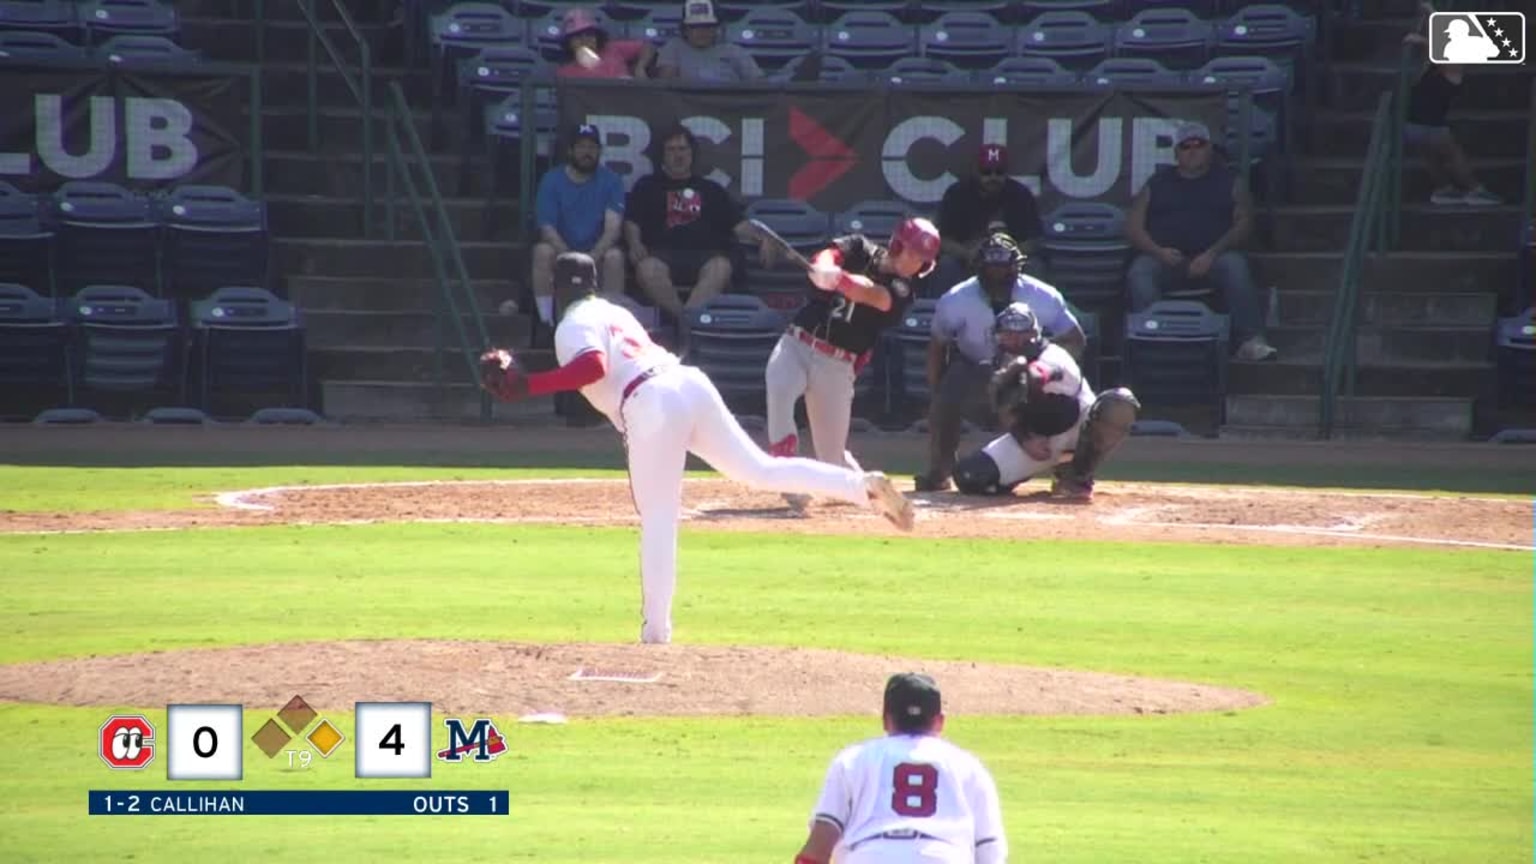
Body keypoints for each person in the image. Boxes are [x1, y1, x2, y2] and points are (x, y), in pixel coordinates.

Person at [476, 252, 915, 645]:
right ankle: (861, 486)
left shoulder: (572, 323)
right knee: (760, 471)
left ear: (556, 289)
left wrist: (530, 385)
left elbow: (594, 366)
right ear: (593, 284)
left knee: (660, 516)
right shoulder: (614, 310)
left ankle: (655, 632)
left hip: (650, 403)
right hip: (687, 381)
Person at [765, 217, 940, 513]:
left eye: (922, 260)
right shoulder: (860, 247)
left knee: (831, 460)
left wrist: (840, 280)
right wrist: (825, 266)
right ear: (897, 244)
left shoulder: (903, 290)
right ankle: (788, 477)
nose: (914, 264)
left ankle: (866, 487)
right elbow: (830, 253)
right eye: (912, 253)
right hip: (796, 343)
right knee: (779, 389)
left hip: (836, 365)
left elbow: (871, 294)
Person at [914, 233, 1086, 493]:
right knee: (947, 394)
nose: (997, 274)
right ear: (978, 268)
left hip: (1032, 374)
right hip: (977, 371)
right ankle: (940, 470)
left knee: (1061, 401)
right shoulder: (955, 299)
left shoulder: (1043, 296)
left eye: (1003, 267)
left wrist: (1055, 371)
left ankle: (1068, 471)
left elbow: (1074, 339)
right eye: (991, 267)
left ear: (1017, 267)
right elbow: (937, 346)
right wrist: (936, 391)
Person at [793, 673, 1009, 864]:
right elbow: (989, 848)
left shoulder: (853, 760)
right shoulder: (968, 766)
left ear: (886, 719)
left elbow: (818, 846)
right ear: (940, 722)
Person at [952, 303, 1140, 502]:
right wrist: (1025, 440)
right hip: (1040, 438)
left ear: (1034, 335)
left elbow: (1042, 373)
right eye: (1007, 334)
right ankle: (1054, 466)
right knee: (969, 477)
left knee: (1119, 403)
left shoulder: (1054, 356)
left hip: (1080, 428)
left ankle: (1078, 475)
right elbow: (1007, 410)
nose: (1013, 341)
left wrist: (1021, 373)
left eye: (1020, 335)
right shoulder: (998, 364)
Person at [1124, 120, 1278, 363]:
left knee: (1235, 266)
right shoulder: (1157, 183)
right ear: (1176, 152)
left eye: (1199, 144)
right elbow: (1133, 226)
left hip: (1214, 259)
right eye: (1186, 146)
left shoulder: (1230, 181)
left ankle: (1250, 340)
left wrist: (1213, 253)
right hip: (1167, 260)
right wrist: (1158, 252)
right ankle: (1156, 341)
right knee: (1140, 271)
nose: (1193, 150)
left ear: (1210, 149)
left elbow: (1245, 223)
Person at [623, 124, 777, 334]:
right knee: (647, 269)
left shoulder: (711, 189)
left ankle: (683, 326)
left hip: (706, 255)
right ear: (662, 155)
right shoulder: (647, 186)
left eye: (683, 149)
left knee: (721, 267)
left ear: (692, 153)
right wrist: (634, 243)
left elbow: (739, 226)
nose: (678, 155)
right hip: (661, 254)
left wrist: (764, 238)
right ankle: (687, 324)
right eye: (671, 150)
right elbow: (632, 221)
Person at [1401, 3, 1503, 206]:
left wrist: (1424, 31)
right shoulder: (1432, 66)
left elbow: (1440, 49)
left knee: (1440, 156)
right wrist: (1431, 14)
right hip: (1424, 124)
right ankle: (1471, 190)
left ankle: (1446, 188)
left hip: (1419, 124)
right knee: (1449, 157)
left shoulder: (1453, 69)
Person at [532, 123, 627, 331]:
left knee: (615, 257)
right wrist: (570, 259)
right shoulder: (552, 180)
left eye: (592, 147)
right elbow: (547, 227)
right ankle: (546, 323)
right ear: (570, 150)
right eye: (582, 146)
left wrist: (589, 260)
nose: (587, 152)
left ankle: (610, 328)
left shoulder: (611, 181)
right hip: (562, 251)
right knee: (541, 251)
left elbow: (613, 229)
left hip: (597, 253)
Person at [927, 144, 1047, 297]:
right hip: (969, 259)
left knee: (1035, 266)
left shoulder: (1020, 194)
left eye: (999, 172)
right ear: (975, 171)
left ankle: (1034, 314)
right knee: (947, 265)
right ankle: (942, 315)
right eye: (986, 172)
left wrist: (1010, 255)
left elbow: (1035, 240)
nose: (993, 177)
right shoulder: (957, 194)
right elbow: (942, 240)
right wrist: (967, 253)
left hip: (1011, 262)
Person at [654, 0, 764, 83]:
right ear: (685, 30)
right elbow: (665, 84)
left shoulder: (734, 52)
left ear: (717, 29)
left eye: (707, 26)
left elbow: (759, 84)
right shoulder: (673, 48)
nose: (701, 32)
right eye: (694, 26)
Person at [556, 7, 655, 80]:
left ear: (597, 36)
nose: (584, 40)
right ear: (568, 42)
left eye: (589, 34)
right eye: (577, 36)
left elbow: (647, 47)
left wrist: (640, 67)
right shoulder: (565, 73)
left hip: (631, 101)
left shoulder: (612, 48)